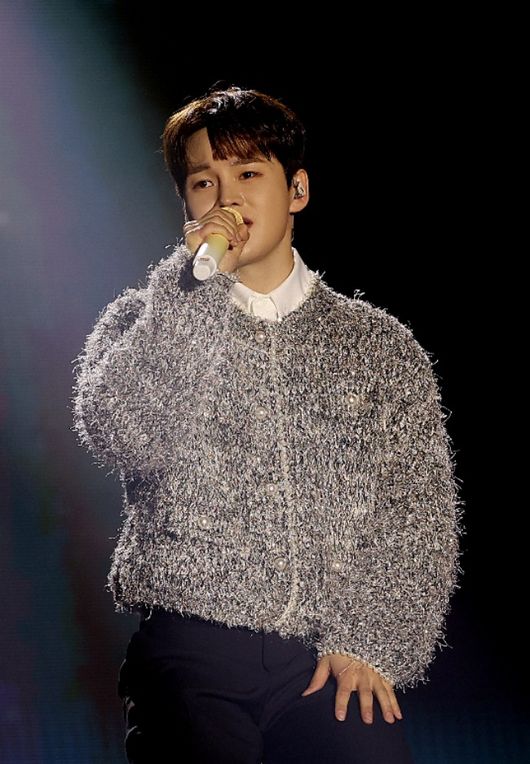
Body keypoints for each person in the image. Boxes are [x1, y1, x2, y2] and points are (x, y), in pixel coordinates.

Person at [71, 83, 463, 763]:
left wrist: (371, 639)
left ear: (297, 190)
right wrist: (193, 292)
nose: (228, 199)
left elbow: (416, 511)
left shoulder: (376, 347)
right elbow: (126, 435)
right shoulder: (145, 321)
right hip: (190, 654)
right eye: (204, 182)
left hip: (325, 656)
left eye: (249, 174)